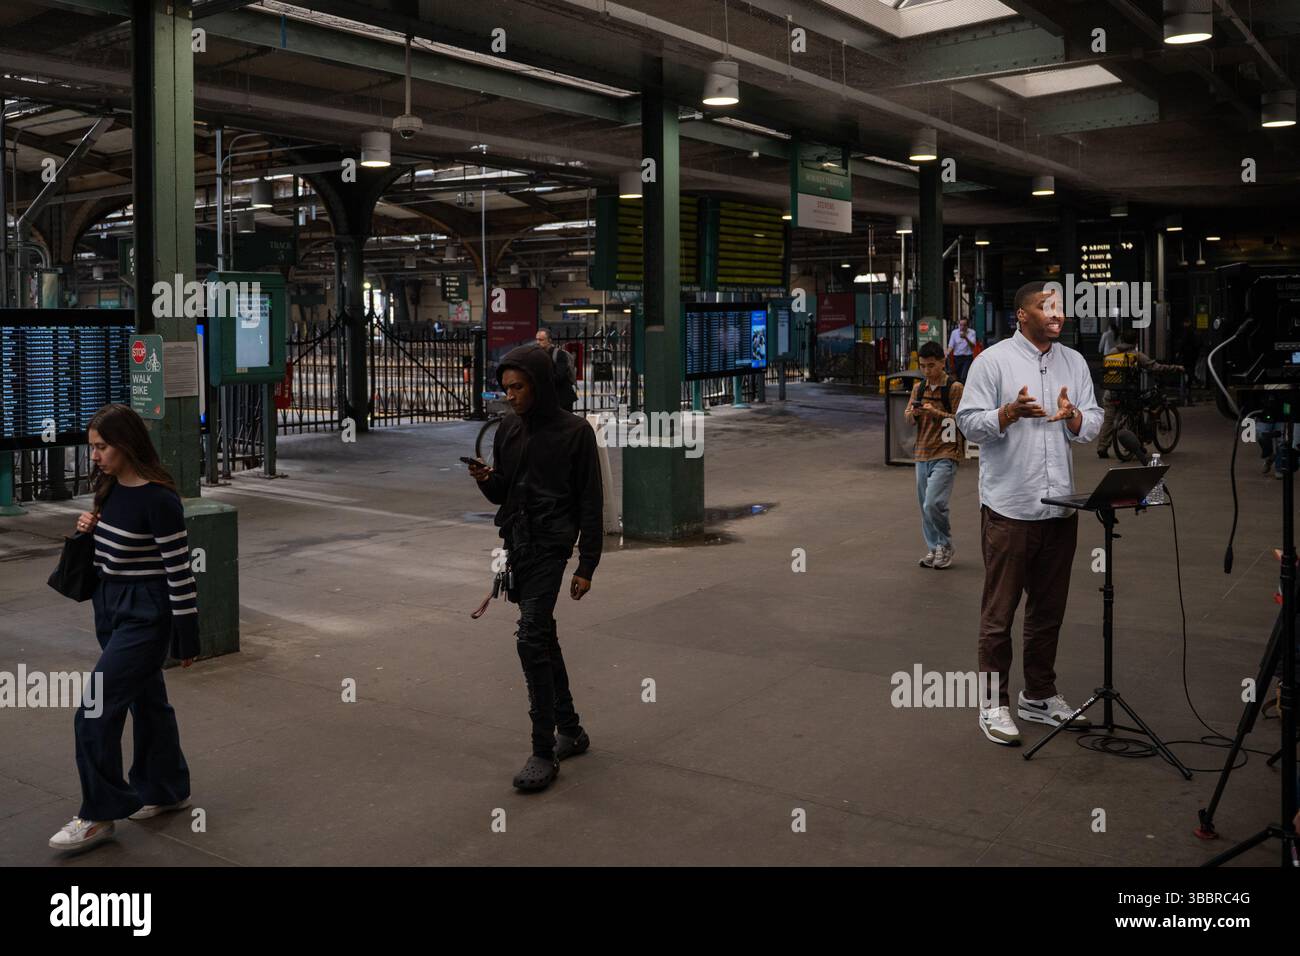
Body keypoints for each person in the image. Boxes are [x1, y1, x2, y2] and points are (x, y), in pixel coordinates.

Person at [955, 281, 1104, 746]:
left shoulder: (1074, 362)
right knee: (998, 614)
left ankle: (1038, 695)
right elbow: (966, 420)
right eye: (1047, 307)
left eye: (1060, 308)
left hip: (1061, 508)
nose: (1057, 315)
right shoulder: (992, 361)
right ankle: (993, 704)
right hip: (1010, 508)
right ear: (1022, 314)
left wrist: (1074, 415)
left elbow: (1094, 423)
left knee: (1048, 611)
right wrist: (1006, 413)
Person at [48, 403, 199, 851]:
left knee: (93, 710)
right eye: (92, 447)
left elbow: (179, 573)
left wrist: (185, 637)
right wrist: (87, 530)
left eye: (101, 447)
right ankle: (166, 789)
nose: (94, 456)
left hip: (146, 615)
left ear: (126, 446)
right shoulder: (109, 487)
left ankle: (99, 813)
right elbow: (108, 555)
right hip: (109, 606)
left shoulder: (160, 500)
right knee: (148, 701)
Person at [468, 345, 603, 792]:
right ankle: (571, 730)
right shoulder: (508, 430)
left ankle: (542, 750)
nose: (511, 396)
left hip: (552, 547)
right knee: (542, 636)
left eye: (519, 386)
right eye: (506, 388)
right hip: (519, 544)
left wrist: (588, 564)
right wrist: (489, 482)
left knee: (529, 639)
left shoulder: (575, 432)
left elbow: (590, 502)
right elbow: (505, 494)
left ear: (540, 384)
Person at [906, 340, 964, 570]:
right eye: (923, 366)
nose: (927, 371)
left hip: (947, 452)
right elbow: (908, 417)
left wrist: (936, 413)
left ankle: (945, 545)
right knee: (924, 506)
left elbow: (962, 421)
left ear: (942, 362)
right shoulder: (918, 388)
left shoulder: (954, 388)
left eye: (931, 365)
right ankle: (934, 548)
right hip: (922, 453)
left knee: (933, 503)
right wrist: (915, 413)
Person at [1096, 330, 1183, 459]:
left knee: (1108, 420)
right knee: (1137, 411)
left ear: (1121, 340)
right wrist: (1175, 368)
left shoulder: (1112, 353)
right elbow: (1155, 367)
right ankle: (1134, 444)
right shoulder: (1136, 355)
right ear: (1136, 341)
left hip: (1111, 392)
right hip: (1129, 393)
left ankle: (1102, 447)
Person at [535, 327, 578, 413]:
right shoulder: (538, 354)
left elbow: (560, 376)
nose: (538, 342)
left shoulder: (559, 354)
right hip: (548, 398)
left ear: (549, 340)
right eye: (537, 339)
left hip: (563, 398)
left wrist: (542, 379)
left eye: (541, 340)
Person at [946, 316, 977, 384]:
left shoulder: (972, 332)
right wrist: (947, 353)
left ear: (967, 326)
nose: (962, 327)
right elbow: (951, 345)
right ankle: (960, 392)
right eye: (961, 325)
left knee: (964, 376)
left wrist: (966, 338)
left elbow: (973, 346)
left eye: (964, 325)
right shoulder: (954, 333)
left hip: (967, 357)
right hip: (957, 358)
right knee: (958, 377)